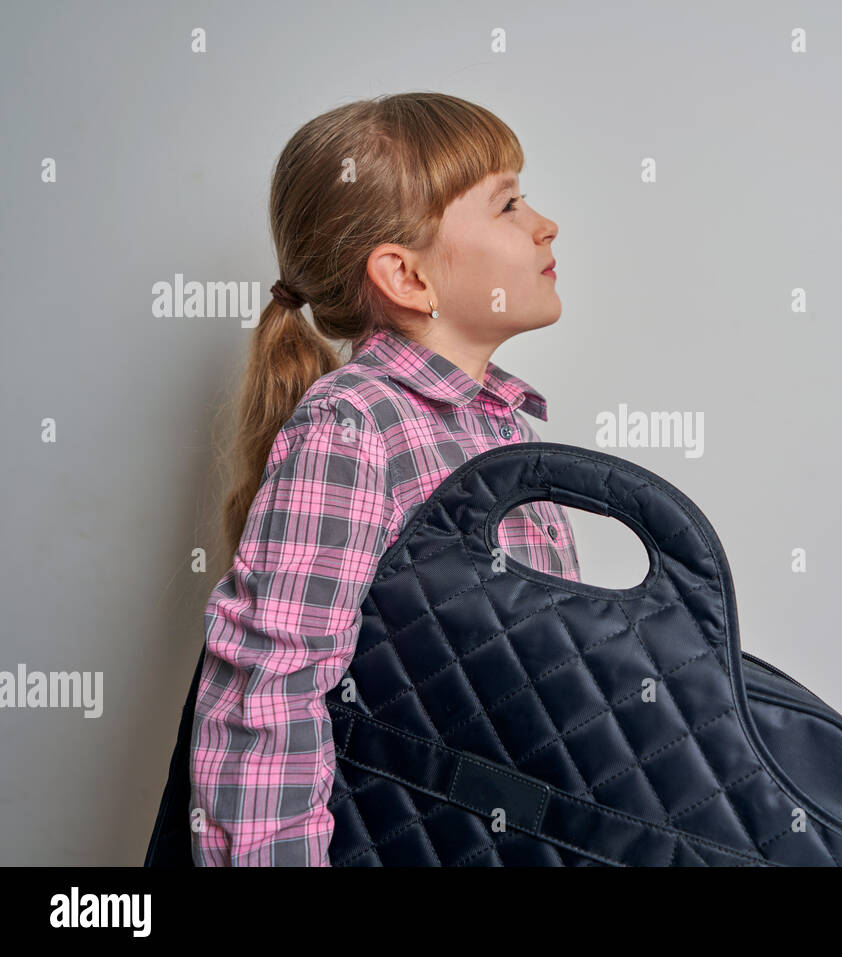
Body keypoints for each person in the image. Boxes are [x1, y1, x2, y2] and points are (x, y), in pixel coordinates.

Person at [189, 92, 580, 866]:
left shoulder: (500, 423)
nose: (545, 224)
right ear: (404, 275)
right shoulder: (354, 426)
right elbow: (269, 699)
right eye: (508, 204)